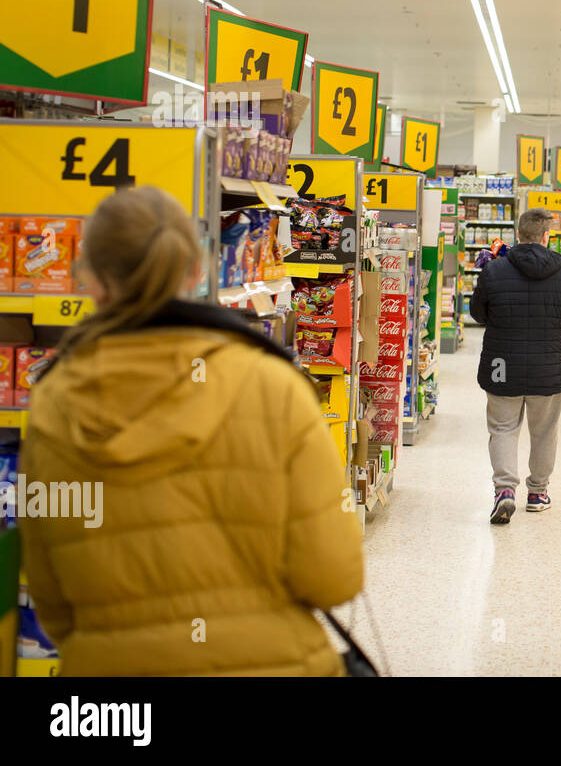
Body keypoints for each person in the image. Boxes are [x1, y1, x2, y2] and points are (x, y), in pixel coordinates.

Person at [20, 186, 363, 676]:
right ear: (200, 270)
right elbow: (334, 575)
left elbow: (52, 598)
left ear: (89, 280)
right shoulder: (271, 385)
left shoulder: (55, 404)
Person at [470, 207, 561, 524]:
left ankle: (505, 491)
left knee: (504, 428)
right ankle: (537, 493)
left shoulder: (494, 270)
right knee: (544, 431)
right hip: (547, 367)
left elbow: (478, 313)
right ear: (546, 236)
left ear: (518, 234)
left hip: (501, 364)